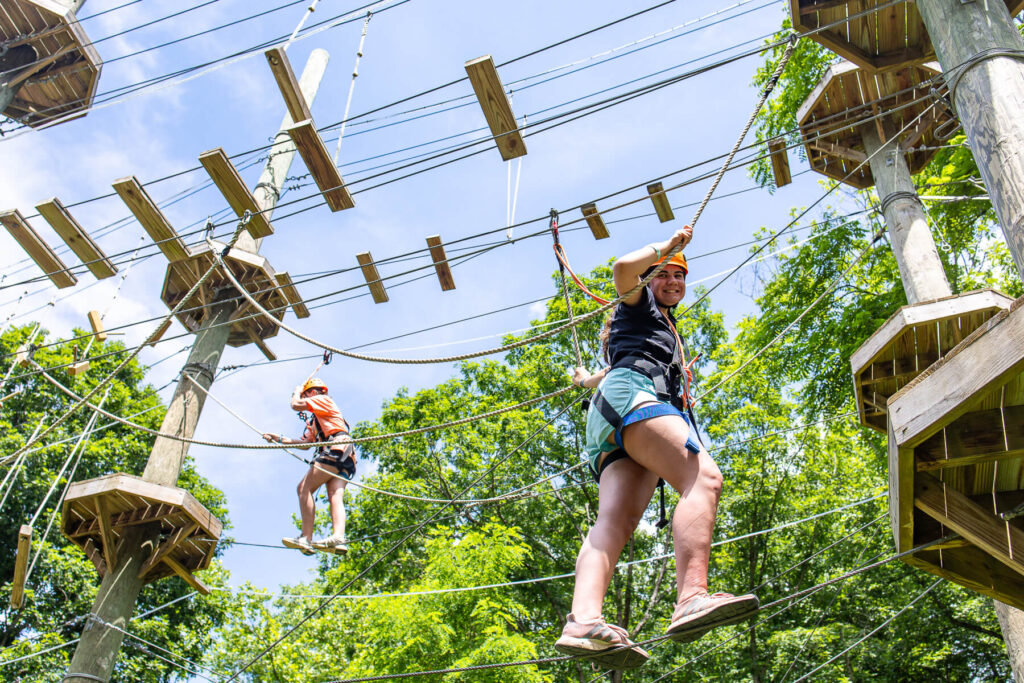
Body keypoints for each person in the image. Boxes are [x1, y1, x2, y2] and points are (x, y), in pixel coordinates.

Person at [553, 226, 758, 670]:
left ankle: (583, 621)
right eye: (663, 274)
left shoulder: (652, 326)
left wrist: (586, 381)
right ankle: (692, 597)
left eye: (679, 275)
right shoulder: (639, 302)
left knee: (616, 520)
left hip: (611, 408)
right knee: (703, 478)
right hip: (633, 397)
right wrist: (668, 246)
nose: (672, 281)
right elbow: (622, 269)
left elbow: (612, 369)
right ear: (649, 280)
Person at [262, 378, 355, 555]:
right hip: (346, 454)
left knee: (304, 488)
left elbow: (295, 405)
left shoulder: (322, 399)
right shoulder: (317, 418)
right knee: (335, 494)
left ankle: (306, 537)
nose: (305, 400)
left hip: (336, 447)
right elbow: (306, 444)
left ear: (312, 392)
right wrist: (279, 439)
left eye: (306, 396)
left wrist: (296, 392)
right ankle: (338, 538)